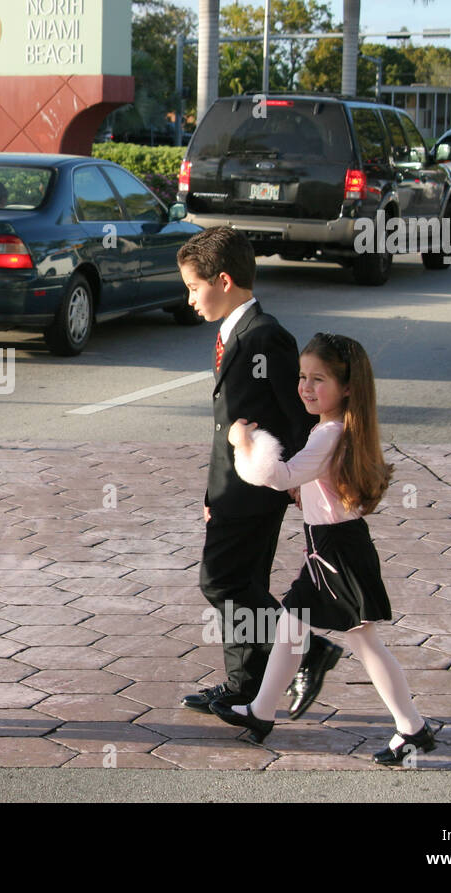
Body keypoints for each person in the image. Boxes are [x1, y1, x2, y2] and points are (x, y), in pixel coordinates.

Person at [212, 333, 436, 766]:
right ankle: (261, 711)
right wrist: (306, 489)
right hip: (330, 546)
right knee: (295, 626)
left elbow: (280, 475)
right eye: (301, 377)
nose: (306, 387)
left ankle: (412, 727)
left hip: (336, 551)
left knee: (364, 640)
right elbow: (311, 480)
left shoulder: (328, 434)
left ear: (348, 387)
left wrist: (244, 444)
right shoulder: (334, 429)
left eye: (319, 379)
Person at [176, 227, 341, 717]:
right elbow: (228, 425)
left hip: (258, 487)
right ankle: (243, 686)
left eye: (193, 287)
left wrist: (296, 479)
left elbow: (298, 413)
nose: (189, 300)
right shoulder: (233, 333)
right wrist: (213, 491)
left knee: (221, 582)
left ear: (223, 280)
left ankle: (310, 649)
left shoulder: (266, 336)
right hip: (233, 487)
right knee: (244, 581)